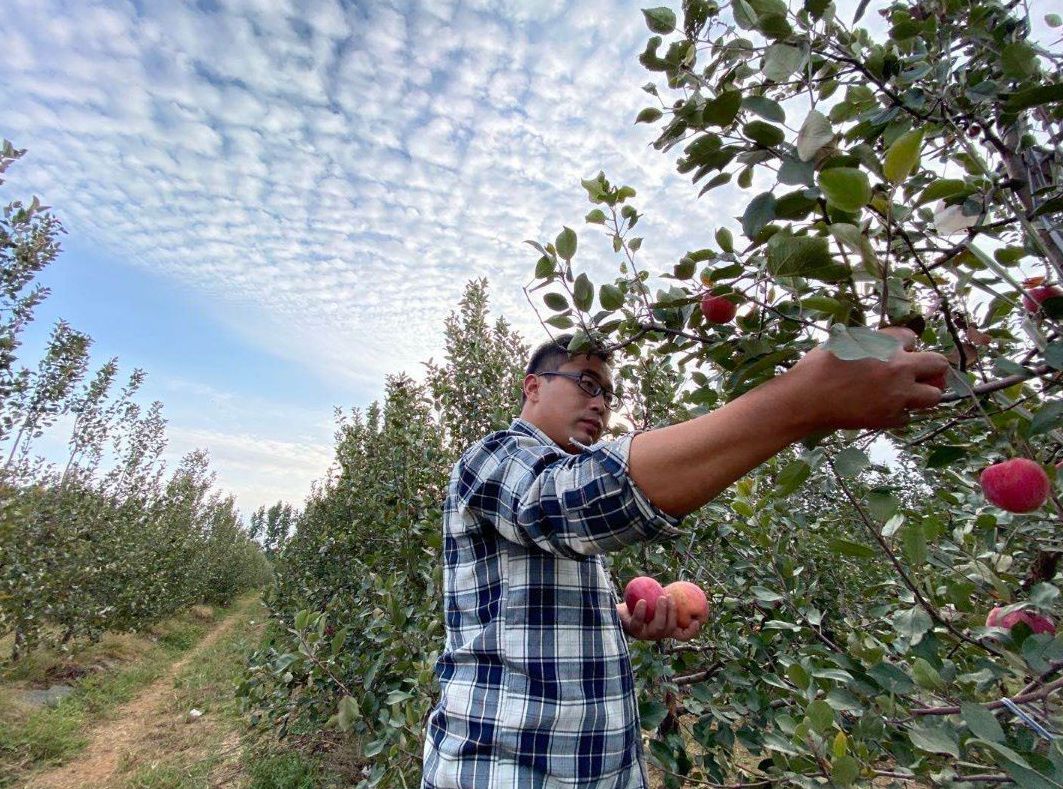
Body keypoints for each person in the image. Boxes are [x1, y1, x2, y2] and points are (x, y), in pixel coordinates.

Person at [422, 328, 948, 787]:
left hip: (601, 768)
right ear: (532, 386)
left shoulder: (550, 485)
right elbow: (579, 501)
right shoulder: (493, 458)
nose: (601, 403)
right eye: (586, 382)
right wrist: (801, 401)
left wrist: (622, 621)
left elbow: (523, 613)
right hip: (506, 770)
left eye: (608, 392)